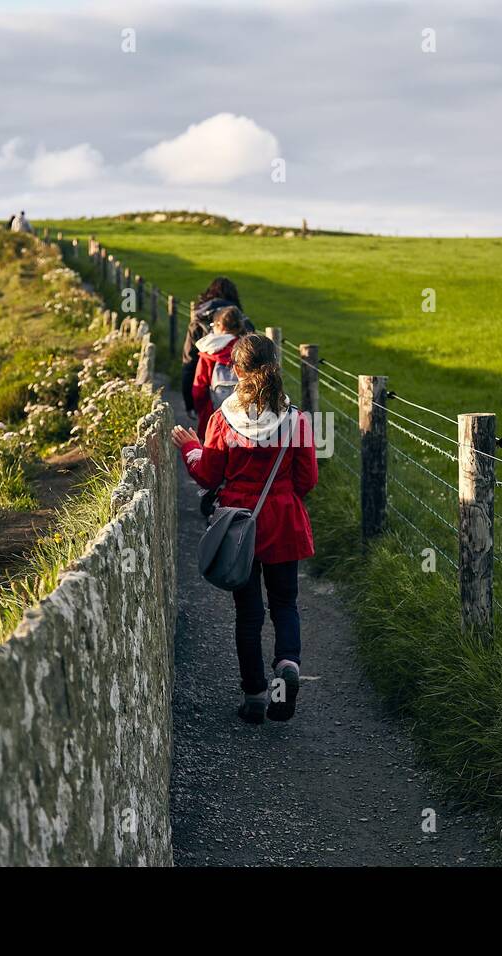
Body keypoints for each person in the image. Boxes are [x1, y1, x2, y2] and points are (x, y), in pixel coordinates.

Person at [172, 333, 318, 724]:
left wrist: (189, 448)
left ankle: (254, 696)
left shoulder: (223, 420)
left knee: (248, 614)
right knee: (284, 604)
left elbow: (208, 474)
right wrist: (283, 494)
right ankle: (287, 666)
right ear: (276, 365)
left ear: (236, 370)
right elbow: (307, 480)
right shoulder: (297, 420)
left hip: (239, 525)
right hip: (284, 523)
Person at [181, 277, 254, 419]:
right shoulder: (244, 323)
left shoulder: (199, 324)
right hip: (244, 412)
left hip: (211, 411)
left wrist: (190, 405)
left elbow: (189, 365)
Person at [190, 305, 246, 440]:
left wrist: (201, 411)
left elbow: (198, 390)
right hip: (244, 418)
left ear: (220, 325)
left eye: (213, 325)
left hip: (213, 415)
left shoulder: (210, 351)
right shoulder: (246, 350)